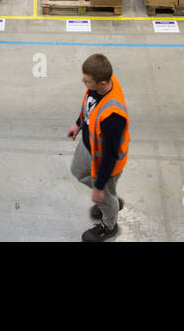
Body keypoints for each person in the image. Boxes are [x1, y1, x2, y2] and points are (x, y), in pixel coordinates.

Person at [66, 53, 128, 242]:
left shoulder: (112, 118)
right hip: (90, 147)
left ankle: (109, 225)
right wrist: (79, 124)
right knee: (78, 171)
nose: (83, 82)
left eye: (86, 81)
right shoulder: (100, 85)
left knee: (105, 197)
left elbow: (110, 156)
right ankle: (109, 200)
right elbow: (89, 105)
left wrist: (99, 187)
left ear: (102, 83)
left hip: (106, 162)